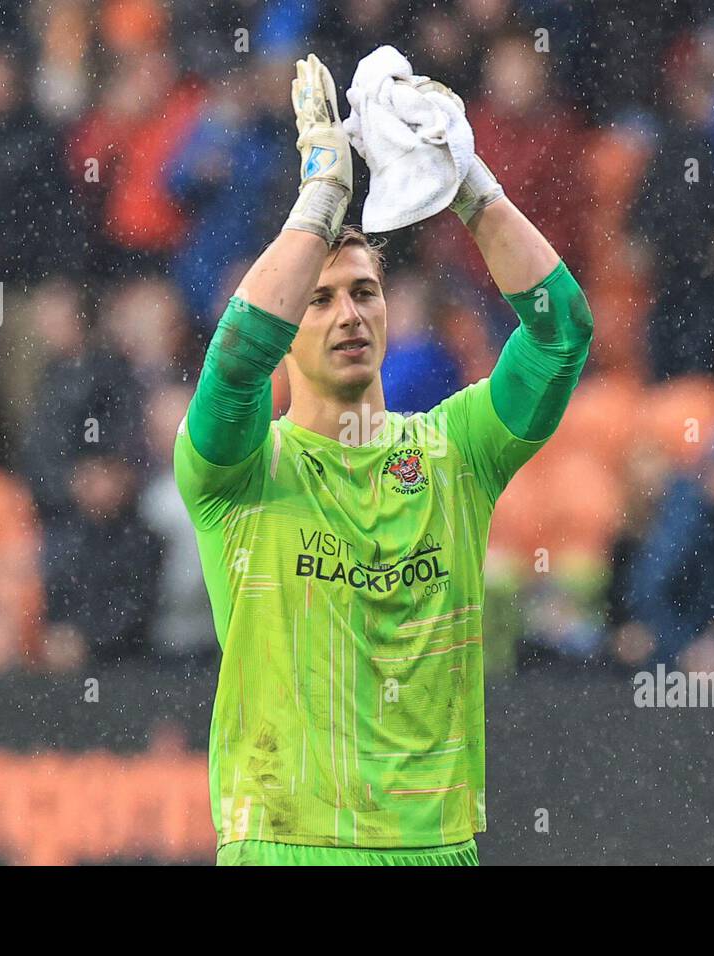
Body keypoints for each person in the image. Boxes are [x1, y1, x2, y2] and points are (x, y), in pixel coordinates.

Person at [173, 54, 593, 865]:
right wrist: (321, 199)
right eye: (320, 298)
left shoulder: (455, 454)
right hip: (284, 842)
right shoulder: (237, 476)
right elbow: (231, 366)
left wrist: (468, 184)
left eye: (364, 291)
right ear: (288, 322)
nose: (347, 314)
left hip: (435, 847)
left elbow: (560, 334)